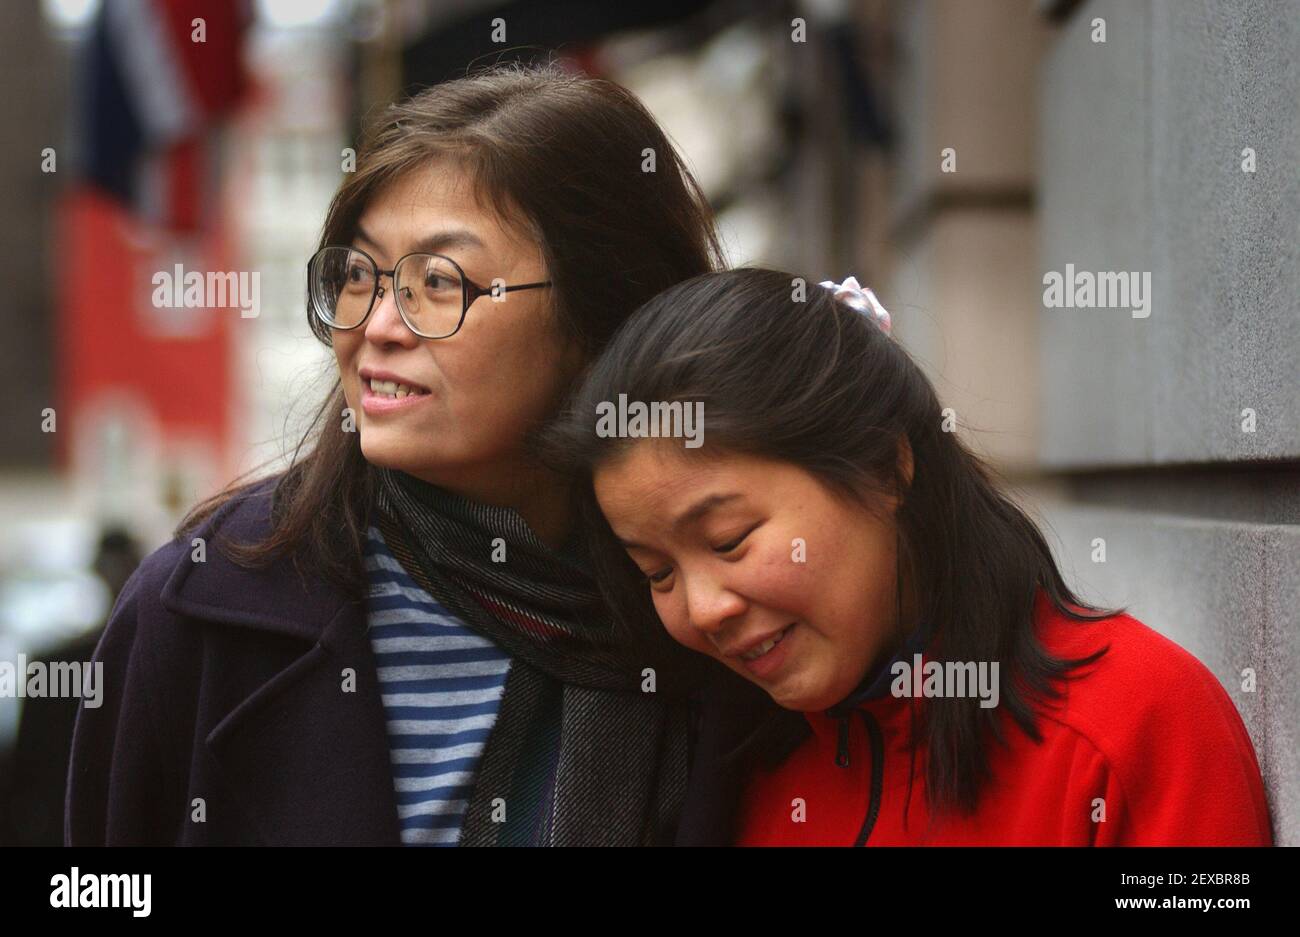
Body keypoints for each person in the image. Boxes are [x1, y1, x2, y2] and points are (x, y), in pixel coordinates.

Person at [65, 62, 724, 846]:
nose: (377, 324)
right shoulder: (202, 608)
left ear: (601, 316)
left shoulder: (711, 617)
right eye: (358, 273)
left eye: (438, 282)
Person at [547, 267, 1274, 846]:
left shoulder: (1138, 723)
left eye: (730, 539)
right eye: (658, 572)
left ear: (886, 465)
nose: (704, 608)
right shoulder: (738, 762)